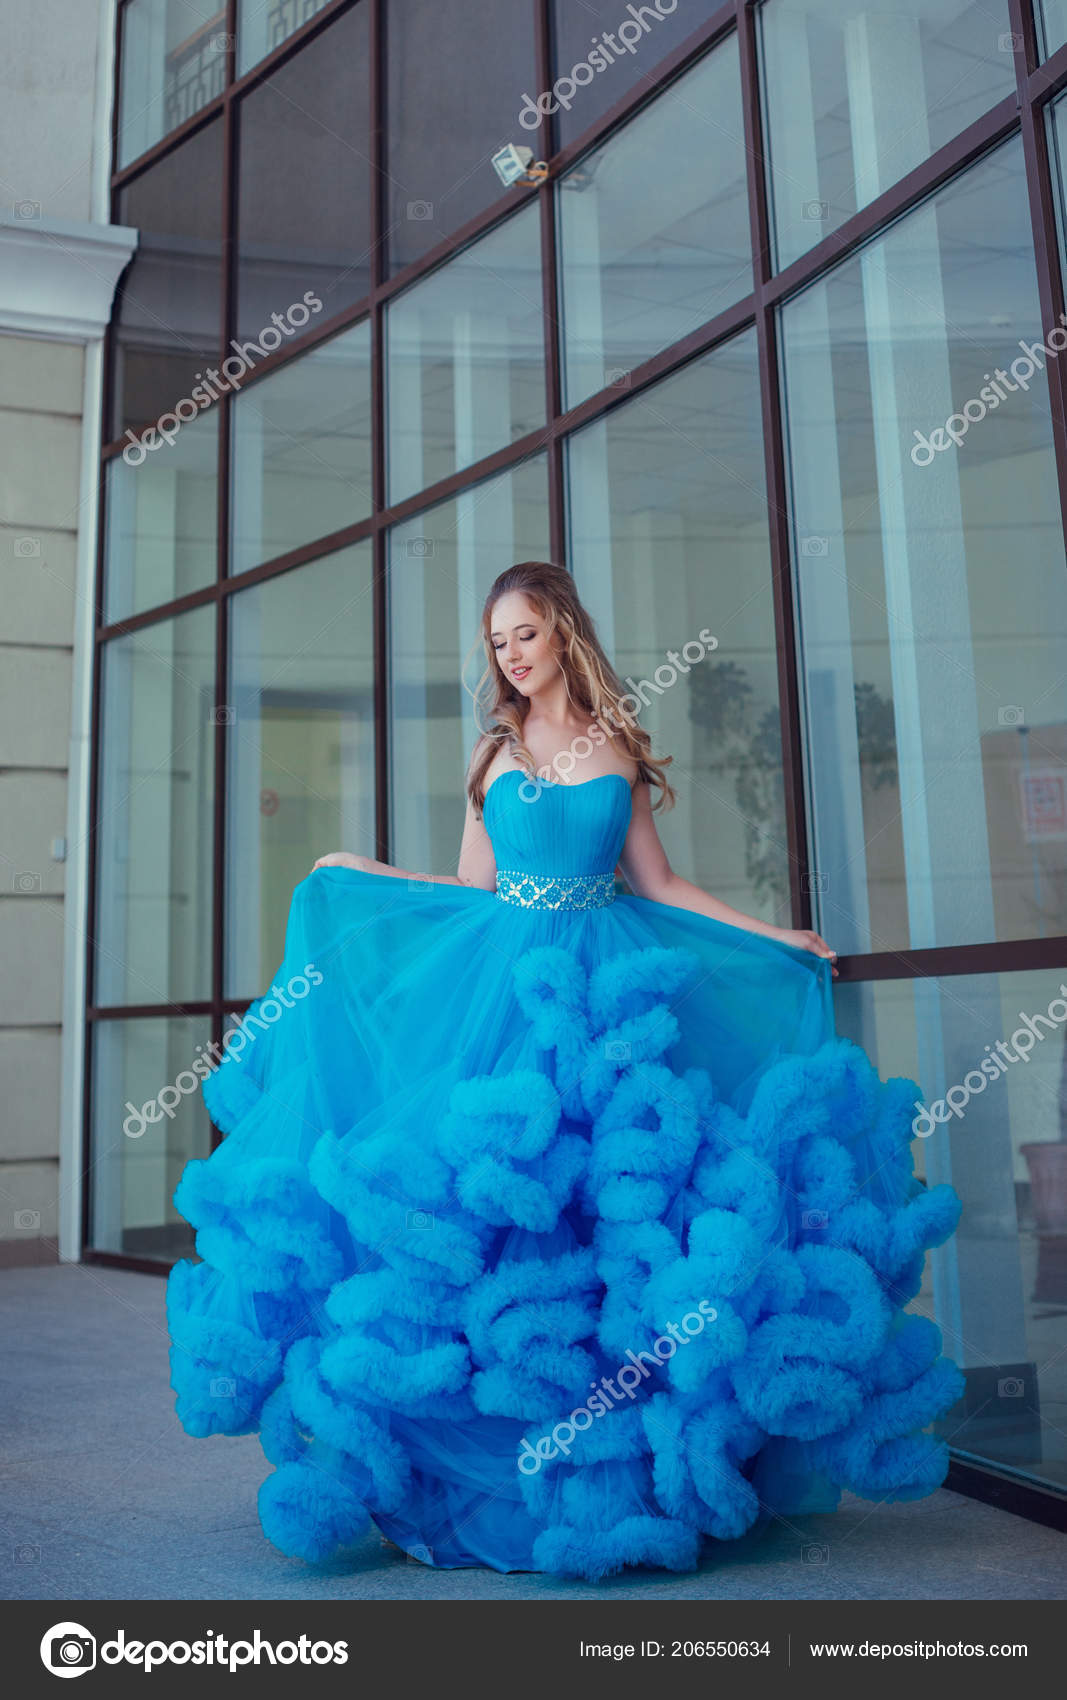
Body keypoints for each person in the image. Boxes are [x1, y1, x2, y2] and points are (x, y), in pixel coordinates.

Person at [166, 560, 964, 1584]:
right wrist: (361, 873)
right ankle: (476, 1461)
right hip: (504, 990)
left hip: (606, 993)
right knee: (504, 1208)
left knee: (615, 1214)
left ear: (561, 634)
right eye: (495, 640)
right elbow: (468, 886)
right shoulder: (491, 748)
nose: (509, 652)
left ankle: (619, 1465)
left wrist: (774, 934)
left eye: (523, 633)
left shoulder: (614, 745)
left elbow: (660, 882)